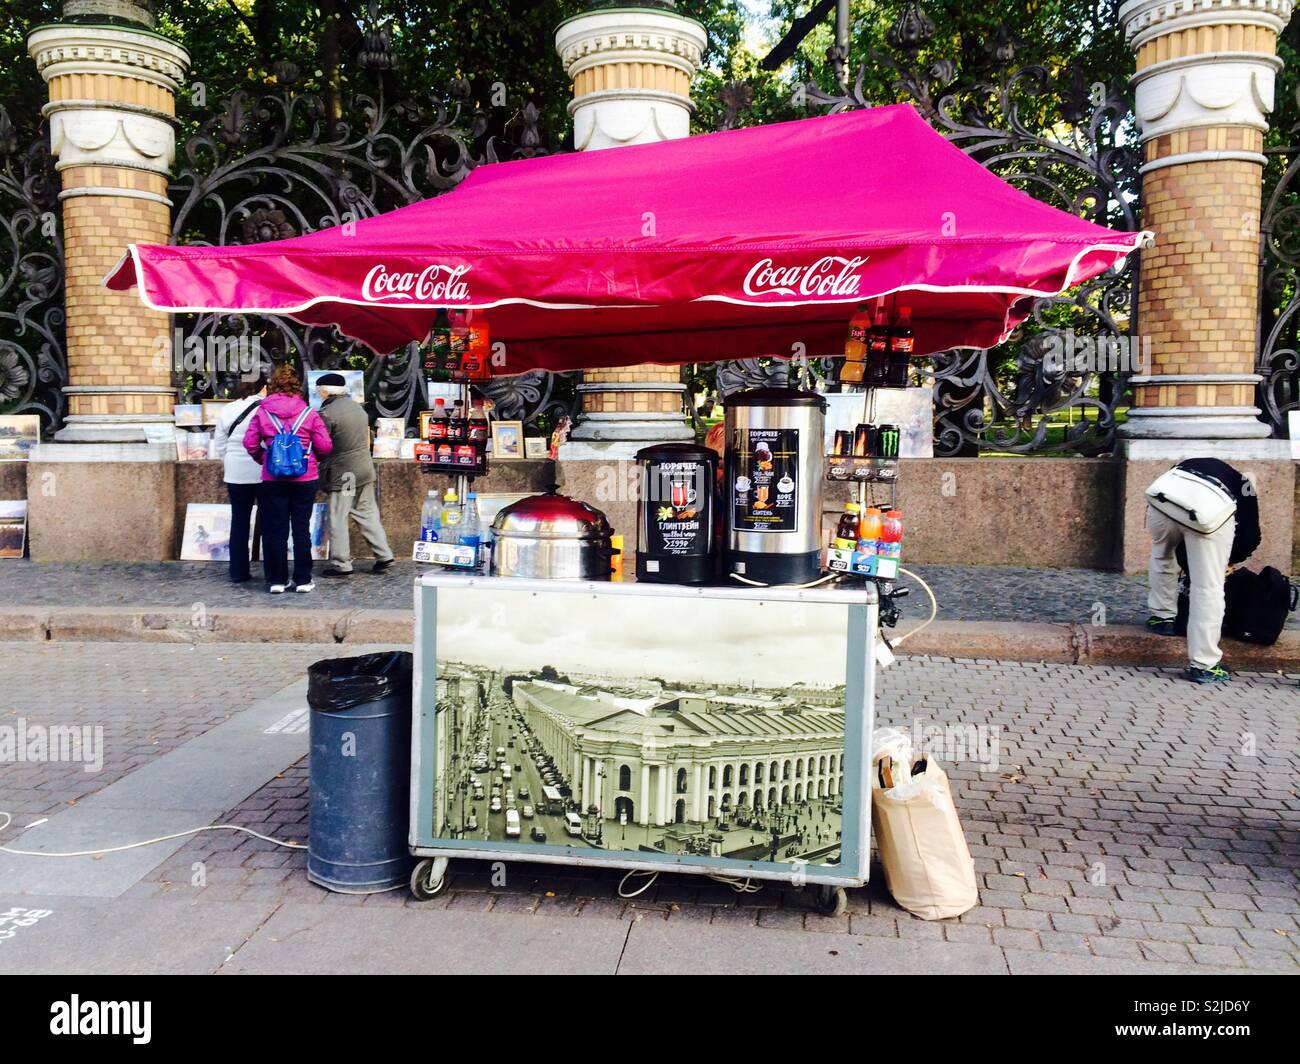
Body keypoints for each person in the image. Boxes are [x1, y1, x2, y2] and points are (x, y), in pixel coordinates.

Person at [1146, 457, 1261, 684]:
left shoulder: (1191, 463)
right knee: (1208, 585)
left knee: (1162, 555)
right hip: (1207, 518)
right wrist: (1227, 562)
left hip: (1164, 502)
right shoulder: (1246, 486)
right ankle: (1204, 664)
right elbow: (1249, 538)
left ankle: (1162, 617)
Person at [242, 364, 333, 594]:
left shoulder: (263, 411)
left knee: (276, 529)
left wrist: (264, 459)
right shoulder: (309, 413)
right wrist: (312, 458)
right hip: (305, 477)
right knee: (301, 529)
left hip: (273, 479)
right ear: (297, 386)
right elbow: (325, 445)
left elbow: (250, 442)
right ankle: (303, 580)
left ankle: (277, 580)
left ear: (273, 386)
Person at [313, 371, 395, 576]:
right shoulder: (357, 408)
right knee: (366, 512)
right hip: (364, 469)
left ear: (324, 391)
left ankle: (341, 564)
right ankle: (384, 555)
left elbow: (322, 445)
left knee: (338, 515)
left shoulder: (328, 413)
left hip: (346, 474)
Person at [211, 374, 265, 583]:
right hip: (262, 470)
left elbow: (220, 444)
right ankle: (272, 570)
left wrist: (230, 459)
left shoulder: (227, 409)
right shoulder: (265, 408)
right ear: (261, 386)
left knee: (240, 521)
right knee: (269, 521)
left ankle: (238, 572)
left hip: (235, 472)